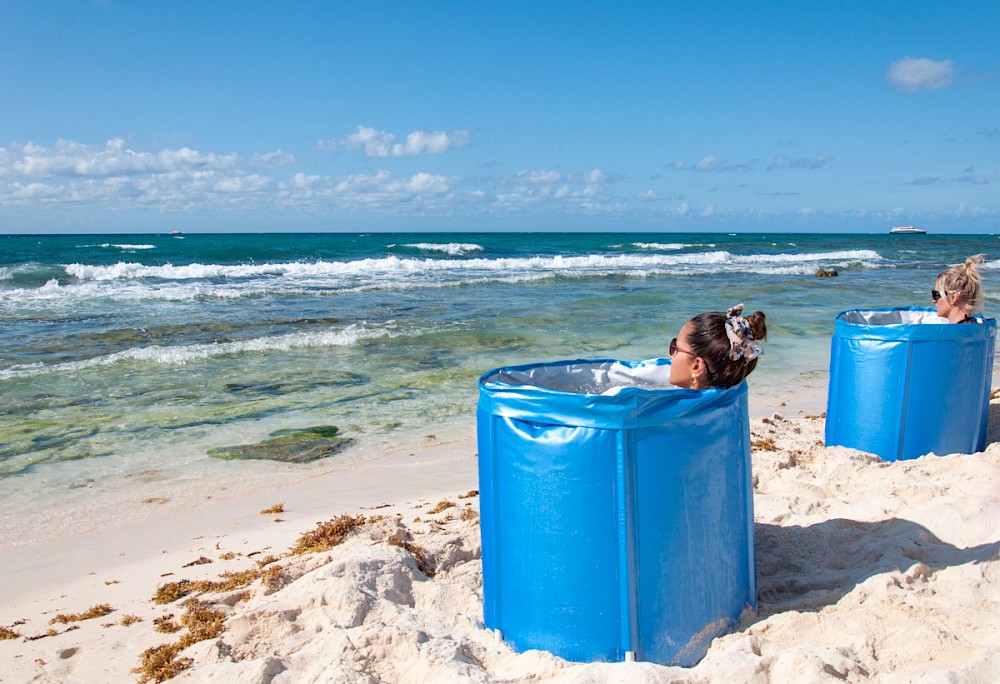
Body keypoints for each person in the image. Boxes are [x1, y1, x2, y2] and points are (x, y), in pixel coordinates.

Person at [668, 304, 767, 389]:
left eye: (675, 348)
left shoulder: (666, 408)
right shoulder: (731, 396)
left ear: (697, 366)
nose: (670, 356)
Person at [932, 254, 985, 323]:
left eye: (936, 295)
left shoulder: (956, 333)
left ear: (953, 297)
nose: (933, 300)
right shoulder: (976, 328)